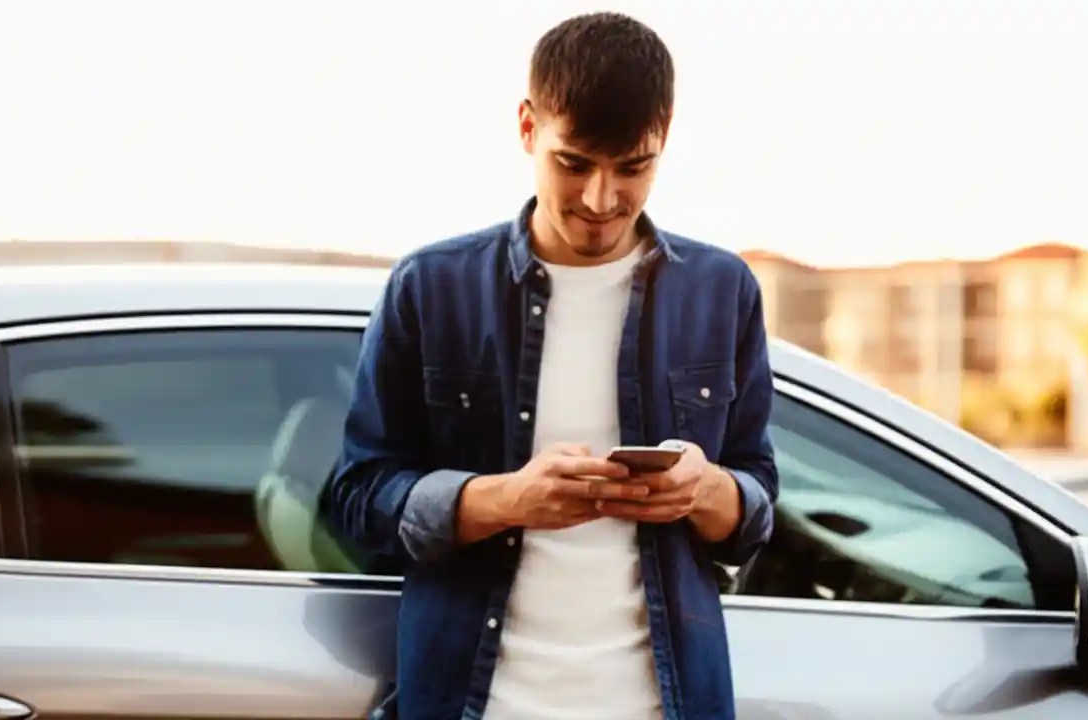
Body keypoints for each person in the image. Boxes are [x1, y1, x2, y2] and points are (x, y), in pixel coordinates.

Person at [322, 11, 778, 720]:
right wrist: (505, 500)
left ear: (665, 138)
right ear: (528, 129)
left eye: (634, 167)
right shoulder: (432, 288)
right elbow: (358, 497)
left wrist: (705, 489)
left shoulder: (722, 292)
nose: (602, 201)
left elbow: (757, 502)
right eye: (575, 164)